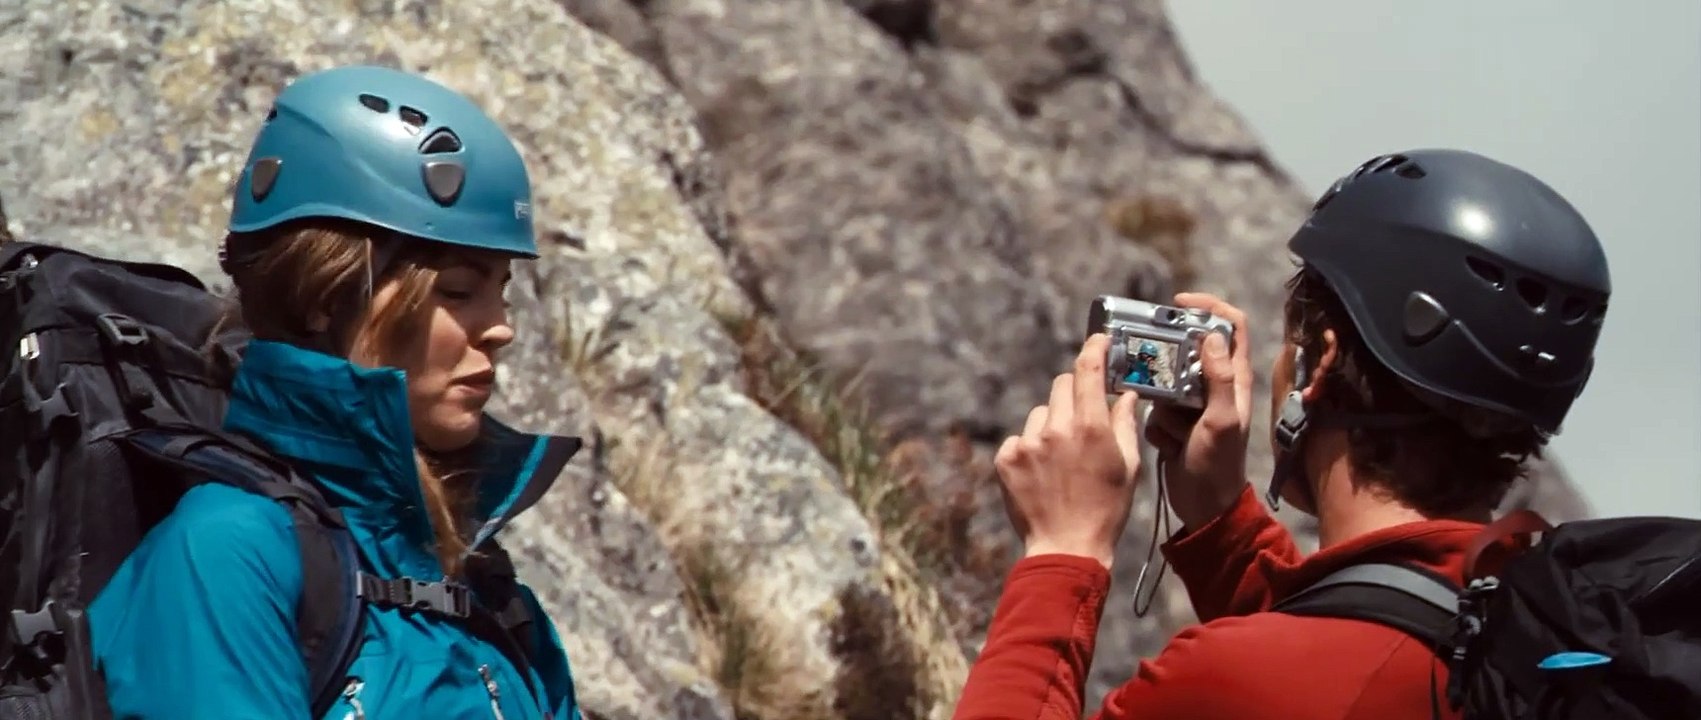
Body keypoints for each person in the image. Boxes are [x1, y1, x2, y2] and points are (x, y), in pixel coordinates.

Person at [952, 149, 1611, 720]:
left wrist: (1063, 551)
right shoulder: (1548, 638)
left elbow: (1312, 680)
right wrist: (1221, 526)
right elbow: (1363, 649)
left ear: (1318, 364)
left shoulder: (1236, 679)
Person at [87, 65, 584, 720]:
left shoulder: (488, 588)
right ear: (324, 295)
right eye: (459, 290)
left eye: (503, 291)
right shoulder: (229, 554)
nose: (501, 328)